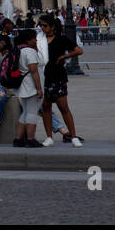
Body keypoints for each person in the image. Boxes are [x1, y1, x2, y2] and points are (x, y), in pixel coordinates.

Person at [38, 15, 84, 147]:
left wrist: (64, 56)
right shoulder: (39, 40)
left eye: (45, 25)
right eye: (41, 25)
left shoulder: (61, 39)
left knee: (64, 107)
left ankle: (73, 136)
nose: (42, 28)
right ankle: (49, 137)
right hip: (44, 77)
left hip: (58, 76)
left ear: (52, 27)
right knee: (46, 107)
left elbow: (79, 50)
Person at [13, 29, 44, 148]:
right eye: (34, 39)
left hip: (23, 85)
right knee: (32, 112)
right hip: (30, 86)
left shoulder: (19, 49)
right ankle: (30, 139)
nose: (36, 40)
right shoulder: (29, 52)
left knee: (25, 112)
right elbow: (33, 70)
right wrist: (39, 88)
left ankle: (18, 139)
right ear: (28, 40)